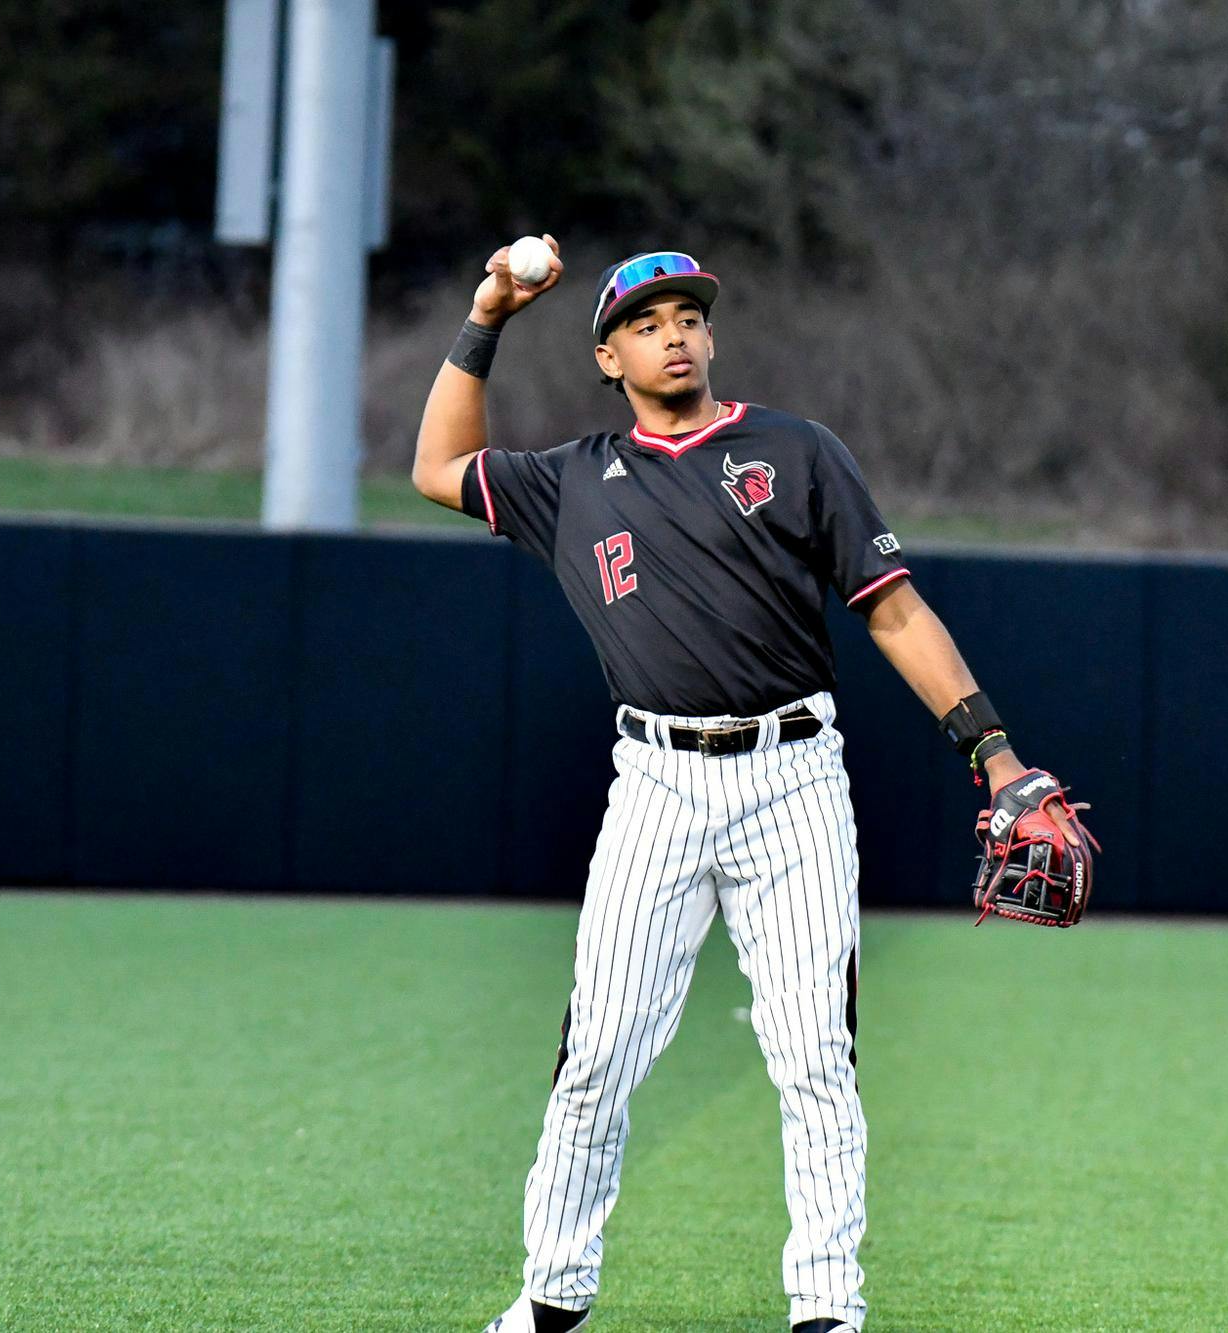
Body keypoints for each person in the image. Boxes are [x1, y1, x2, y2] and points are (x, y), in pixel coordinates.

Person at [411, 239, 1075, 1333]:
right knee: (597, 1056)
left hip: (792, 777)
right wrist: (487, 314)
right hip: (654, 785)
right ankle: (551, 1296)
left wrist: (995, 753)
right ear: (608, 357)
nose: (673, 334)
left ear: (710, 335)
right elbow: (439, 467)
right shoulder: (571, 479)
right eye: (645, 323)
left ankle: (827, 1308)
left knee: (815, 1057)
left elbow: (893, 609)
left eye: (688, 316)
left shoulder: (797, 450)